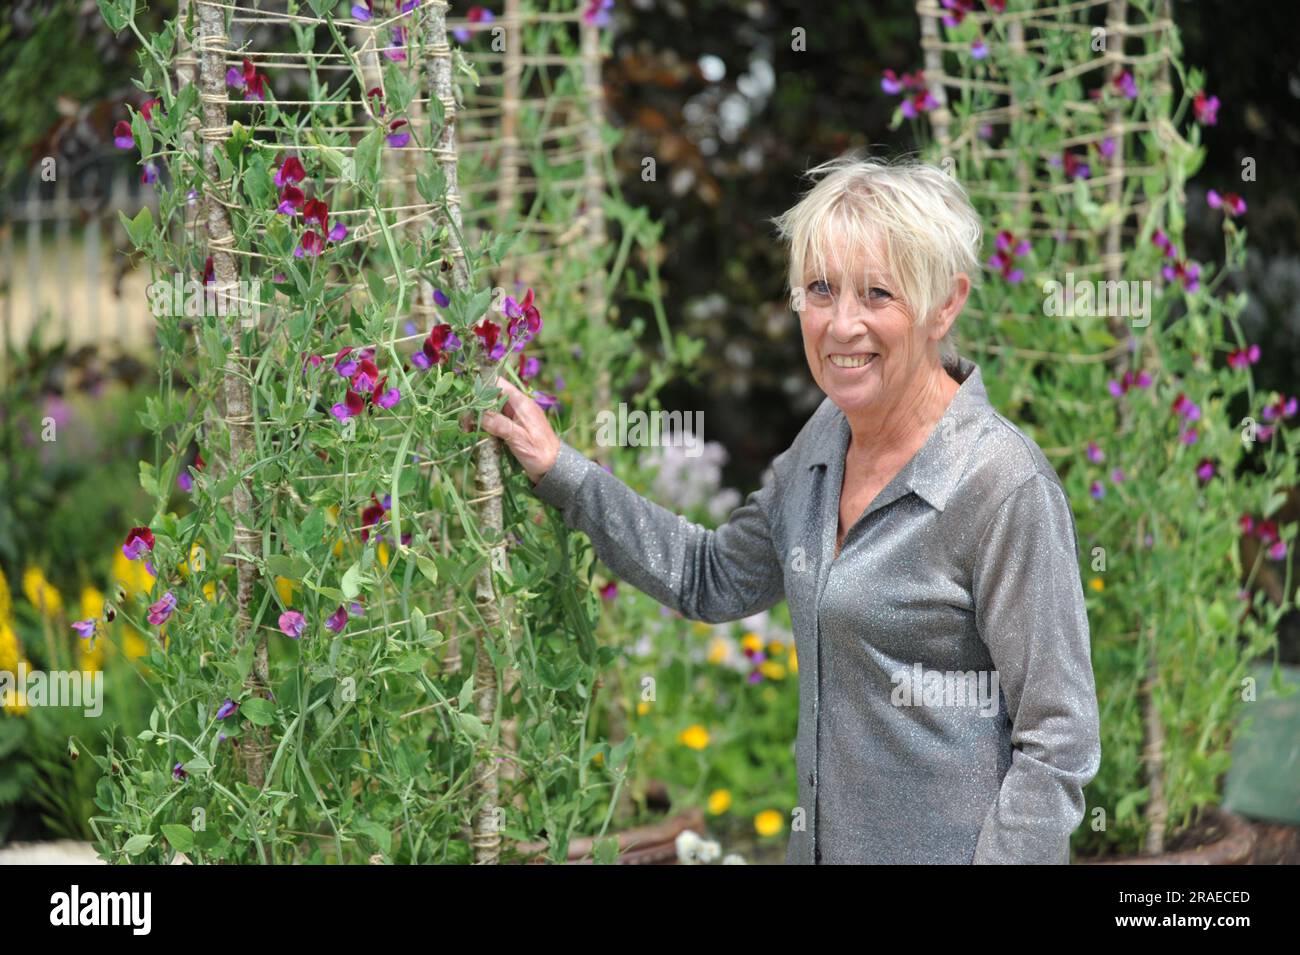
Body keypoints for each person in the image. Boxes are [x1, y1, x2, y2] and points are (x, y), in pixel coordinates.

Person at [483, 155, 1102, 864]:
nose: (842, 325)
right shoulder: (825, 442)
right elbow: (709, 575)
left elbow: (1059, 739)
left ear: (946, 303)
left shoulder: (999, 484)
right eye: (820, 290)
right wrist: (563, 471)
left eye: (877, 294)